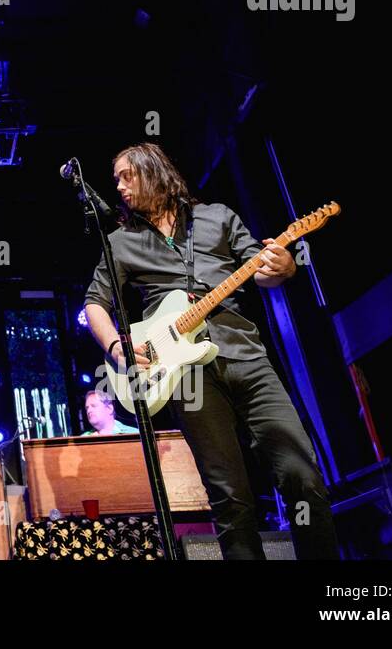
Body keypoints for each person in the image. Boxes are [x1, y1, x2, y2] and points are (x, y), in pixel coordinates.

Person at [82, 143, 339, 559]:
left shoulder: (218, 218)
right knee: (229, 495)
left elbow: (266, 272)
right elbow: (95, 303)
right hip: (184, 376)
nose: (118, 186)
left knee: (301, 473)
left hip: (246, 356)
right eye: (115, 179)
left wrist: (285, 266)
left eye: (126, 175)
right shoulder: (121, 243)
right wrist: (117, 347)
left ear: (153, 172)